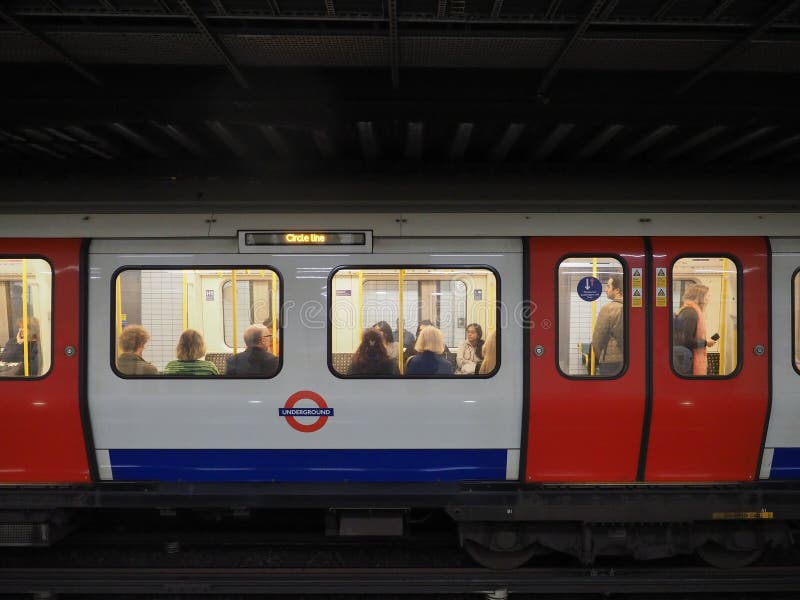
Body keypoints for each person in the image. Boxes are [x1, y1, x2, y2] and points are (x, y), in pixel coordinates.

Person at [674, 283, 716, 376]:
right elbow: (685, 340)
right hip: (687, 360)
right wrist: (705, 343)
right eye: (707, 295)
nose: (709, 298)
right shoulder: (691, 313)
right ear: (700, 297)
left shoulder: (689, 311)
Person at [591, 274, 624, 377]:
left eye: (608, 286)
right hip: (629, 359)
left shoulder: (608, 309)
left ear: (617, 290)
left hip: (610, 360)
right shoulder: (634, 308)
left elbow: (598, 338)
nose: (606, 290)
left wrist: (599, 355)